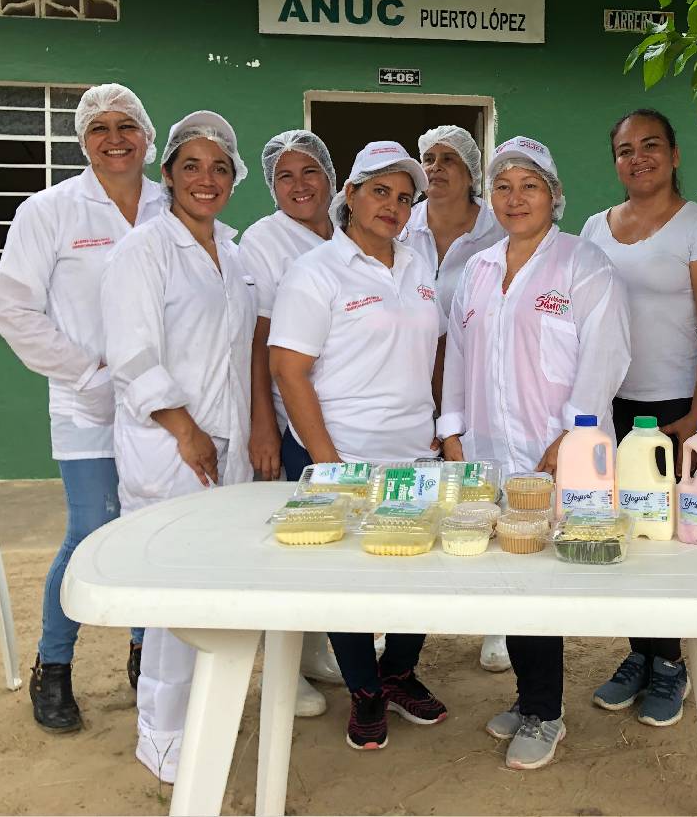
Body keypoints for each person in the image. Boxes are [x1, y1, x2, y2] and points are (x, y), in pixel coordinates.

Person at [439, 135, 630, 769]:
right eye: (503, 186)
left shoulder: (583, 265)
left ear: (554, 195)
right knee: (509, 576)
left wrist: (573, 432)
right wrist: (451, 428)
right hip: (489, 449)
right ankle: (529, 698)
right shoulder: (477, 269)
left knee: (541, 582)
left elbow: (607, 355)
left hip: (556, 454)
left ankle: (546, 713)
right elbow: (458, 354)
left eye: (529, 186)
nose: (515, 198)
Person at [0, 83, 163, 732]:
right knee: (93, 527)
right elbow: (12, 309)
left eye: (127, 125)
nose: (115, 138)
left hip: (163, 406)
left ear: (147, 136)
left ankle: (147, 654)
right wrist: (88, 373)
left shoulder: (171, 205)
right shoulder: (49, 211)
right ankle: (55, 664)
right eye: (99, 128)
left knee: (151, 528)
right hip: (86, 403)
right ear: (82, 141)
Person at [269, 141, 448, 752]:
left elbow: (434, 350)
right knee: (345, 579)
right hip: (341, 451)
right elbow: (288, 368)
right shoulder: (316, 271)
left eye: (404, 197)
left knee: (417, 569)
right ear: (350, 195)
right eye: (380, 192)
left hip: (413, 451)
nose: (393, 206)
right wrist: (327, 461)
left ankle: (397, 673)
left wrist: (438, 421)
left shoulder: (419, 266)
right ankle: (365, 689)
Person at [100, 110, 255, 782]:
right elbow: (132, 353)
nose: (206, 178)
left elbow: (238, 354)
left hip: (227, 448)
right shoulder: (144, 249)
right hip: (172, 449)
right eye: (191, 165)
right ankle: (162, 738)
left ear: (234, 178)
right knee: (173, 596)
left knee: (214, 588)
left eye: (219, 167)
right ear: (166, 174)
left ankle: (204, 718)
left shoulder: (235, 253)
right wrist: (187, 431)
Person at [581, 108, 697, 728]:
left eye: (650, 145)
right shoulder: (594, 227)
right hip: (607, 408)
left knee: (667, 538)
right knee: (623, 533)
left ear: (674, 155)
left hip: (673, 408)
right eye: (625, 149)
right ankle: (640, 653)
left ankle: (670, 662)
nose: (637, 157)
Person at [238, 129, 340, 717]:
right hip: (288, 419)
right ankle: (283, 670)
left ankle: (315, 652)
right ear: (271, 186)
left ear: (331, 177)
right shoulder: (263, 240)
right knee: (289, 545)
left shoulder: (345, 230)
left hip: (340, 414)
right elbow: (259, 343)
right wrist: (262, 425)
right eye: (284, 176)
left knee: (326, 540)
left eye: (309, 172)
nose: (299, 185)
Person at [406, 124, 509, 673]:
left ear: (471, 173)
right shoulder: (403, 226)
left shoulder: (498, 228)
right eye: (428, 158)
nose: (436, 168)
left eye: (449, 159)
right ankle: (404, 629)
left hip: (481, 388)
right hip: (407, 387)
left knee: (488, 498)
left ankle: (498, 623)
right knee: (419, 506)